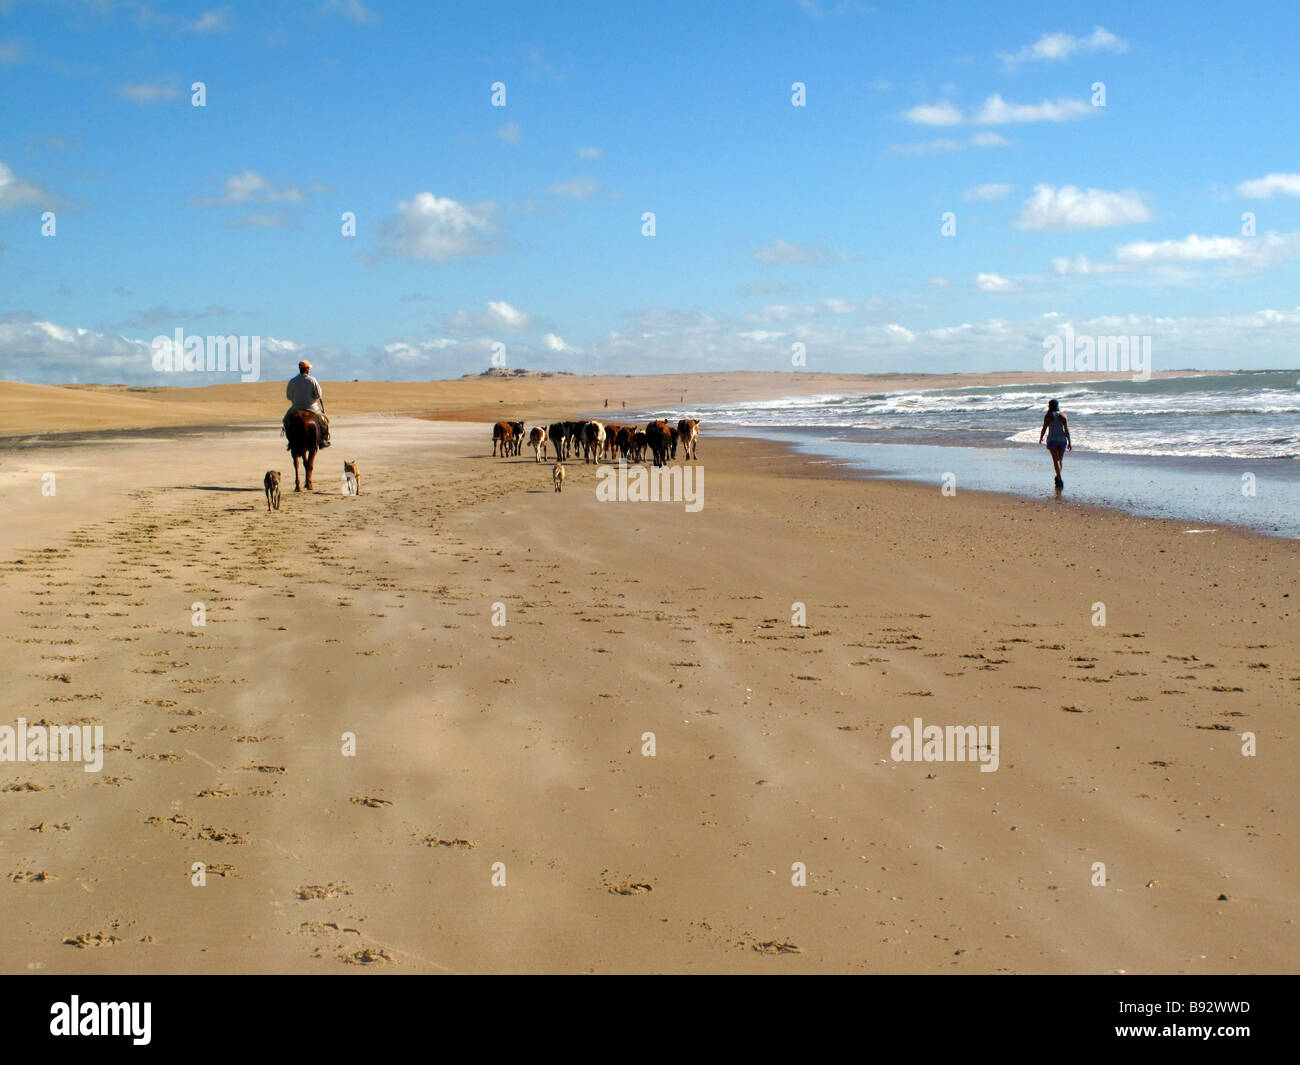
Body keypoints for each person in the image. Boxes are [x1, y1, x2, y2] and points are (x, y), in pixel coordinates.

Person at [284, 360, 331, 448]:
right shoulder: (312, 380)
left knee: (286, 421)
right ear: (307, 369)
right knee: (324, 420)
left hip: (296, 407)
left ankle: (290, 441)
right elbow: (318, 395)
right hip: (312, 407)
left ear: (300, 369)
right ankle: (323, 440)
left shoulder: (292, 381)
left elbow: (289, 396)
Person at [1038, 398, 1070, 488]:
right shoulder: (1063, 415)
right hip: (1062, 439)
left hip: (1052, 438)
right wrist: (1069, 442)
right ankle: (1058, 476)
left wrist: (1041, 437)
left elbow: (1044, 428)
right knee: (1060, 460)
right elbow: (1066, 430)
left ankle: (1059, 477)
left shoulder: (1048, 416)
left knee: (1055, 460)